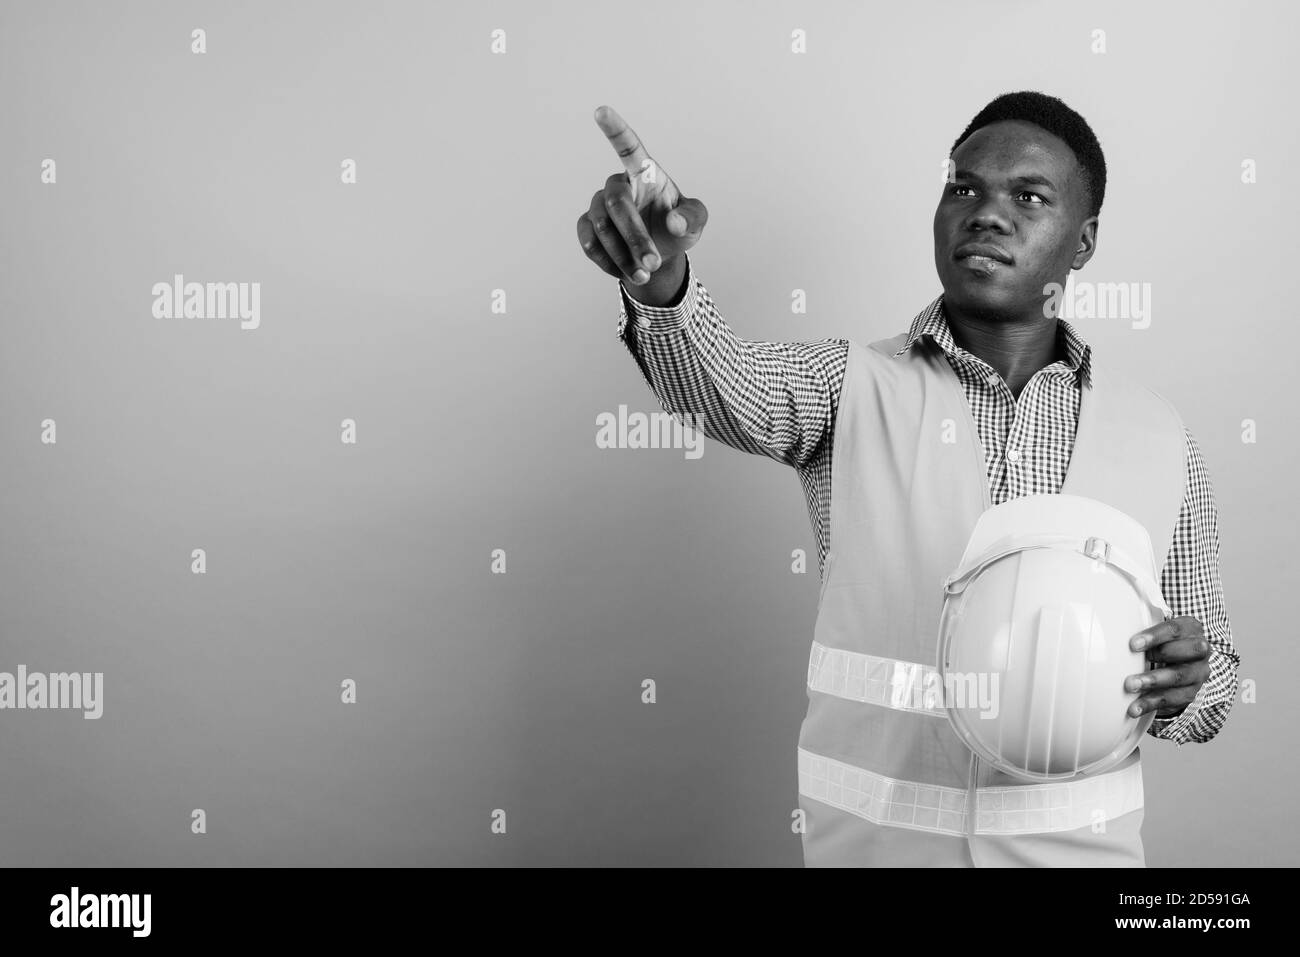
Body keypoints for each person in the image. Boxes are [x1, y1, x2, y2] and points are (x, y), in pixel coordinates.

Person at [575, 93, 1239, 867]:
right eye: (964, 188)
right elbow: (727, 387)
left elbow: (1214, 682)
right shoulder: (849, 385)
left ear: (1083, 241)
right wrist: (664, 278)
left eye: (1029, 196)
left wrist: (1190, 682)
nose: (986, 213)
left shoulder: (1161, 436)